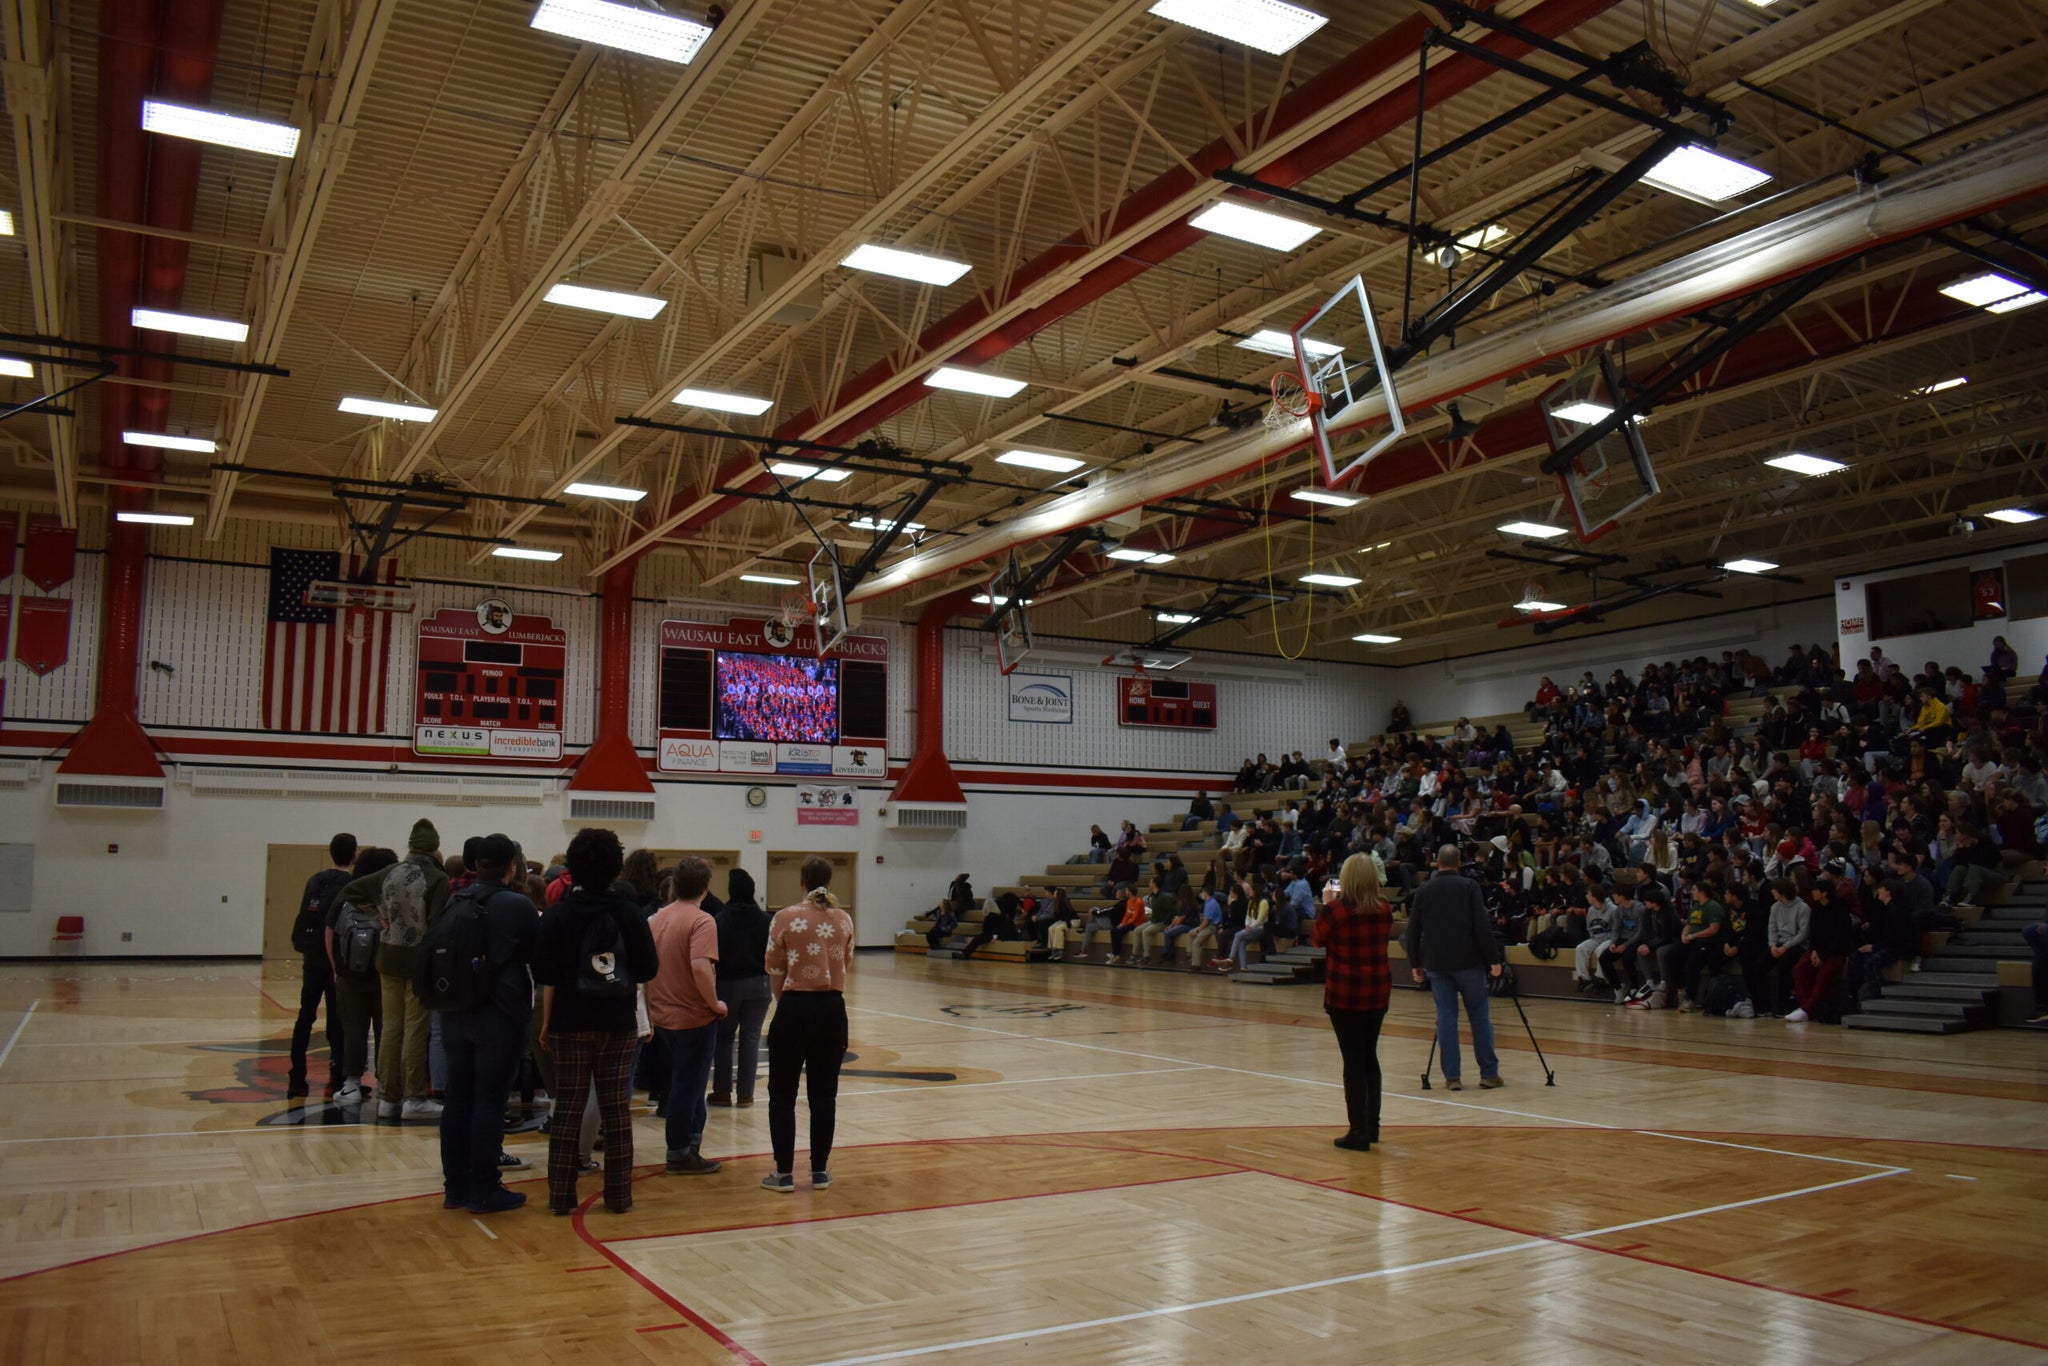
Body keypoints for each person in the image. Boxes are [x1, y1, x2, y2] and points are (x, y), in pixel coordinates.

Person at [532, 829, 659, 1215]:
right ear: (614, 867)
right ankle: (619, 1196)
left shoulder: (557, 915)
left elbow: (545, 972)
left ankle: (560, 1196)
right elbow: (648, 967)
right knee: (615, 1108)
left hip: (569, 1020)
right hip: (618, 1020)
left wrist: (548, 1021)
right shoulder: (629, 913)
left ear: (572, 866)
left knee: (568, 1106)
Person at [436, 834, 540, 1214]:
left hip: (455, 1010)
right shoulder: (516, 904)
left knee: (458, 1099)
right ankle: (485, 1188)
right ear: (513, 866)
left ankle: (456, 1187)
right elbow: (537, 958)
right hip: (498, 1012)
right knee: (489, 1101)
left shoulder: (456, 899)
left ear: (476, 864)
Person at [337, 817, 450, 1124]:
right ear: (435, 847)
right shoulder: (437, 878)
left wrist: (379, 916)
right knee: (416, 1028)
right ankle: (414, 1097)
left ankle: (387, 1098)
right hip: (418, 961)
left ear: (411, 845)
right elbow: (439, 925)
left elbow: (352, 891)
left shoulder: (390, 872)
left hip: (387, 958)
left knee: (390, 1028)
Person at [763, 856, 856, 1193]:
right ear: (829, 881)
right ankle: (819, 1171)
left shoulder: (785, 917)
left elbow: (774, 967)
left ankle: (784, 1173)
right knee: (824, 1095)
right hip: (832, 1009)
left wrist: (785, 1001)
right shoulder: (843, 918)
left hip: (795, 1007)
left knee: (782, 1094)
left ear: (802, 881)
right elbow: (846, 962)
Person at [648, 856, 729, 1177]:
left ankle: (690, 1144)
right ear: (706, 888)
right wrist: (715, 1004)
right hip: (693, 1017)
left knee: (685, 1086)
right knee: (688, 1086)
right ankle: (679, 1152)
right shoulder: (702, 920)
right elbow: (700, 966)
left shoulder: (656, 919)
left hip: (662, 1015)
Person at [1401, 845, 1505, 1091]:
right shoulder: (1469, 887)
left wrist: (1415, 963)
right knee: (1479, 1015)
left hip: (1437, 963)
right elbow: (1482, 925)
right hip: (1469, 962)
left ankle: (1453, 1077)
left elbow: (1413, 929)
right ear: (1459, 863)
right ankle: (1489, 1074)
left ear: (1437, 863)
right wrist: (1494, 959)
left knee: (1446, 1018)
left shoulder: (1424, 889)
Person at [1314, 855, 1392, 1151]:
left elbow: (1317, 939)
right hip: (1377, 991)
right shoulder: (1385, 908)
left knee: (1353, 1060)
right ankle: (1372, 1126)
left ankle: (1357, 1130)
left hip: (1345, 992)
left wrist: (1326, 902)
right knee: (1370, 1056)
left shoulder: (1336, 911)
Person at [326, 845, 396, 1105]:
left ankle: (351, 1084)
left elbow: (330, 932)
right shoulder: (390, 895)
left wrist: (337, 969)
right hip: (385, 974)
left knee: (353, 1029)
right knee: (385, 1029)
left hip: (350, 975)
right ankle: (387, 1086)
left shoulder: (348, 893)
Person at [288, 833, 356, 1098]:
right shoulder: (350, 884)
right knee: (337, 1018)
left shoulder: (314, 880)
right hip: (335, 958)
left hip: (311, 957)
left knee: (305, 1015)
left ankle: (296, 1074)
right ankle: (338, 1073)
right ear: (354, 855)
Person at [709, 868, 771, 1108]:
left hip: (728, 985)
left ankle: (722, 1091)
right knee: (751, 1039)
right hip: (760, 985)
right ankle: (746, 1094)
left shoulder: (719, 920)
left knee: (723, 1038)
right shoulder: (766, 920)